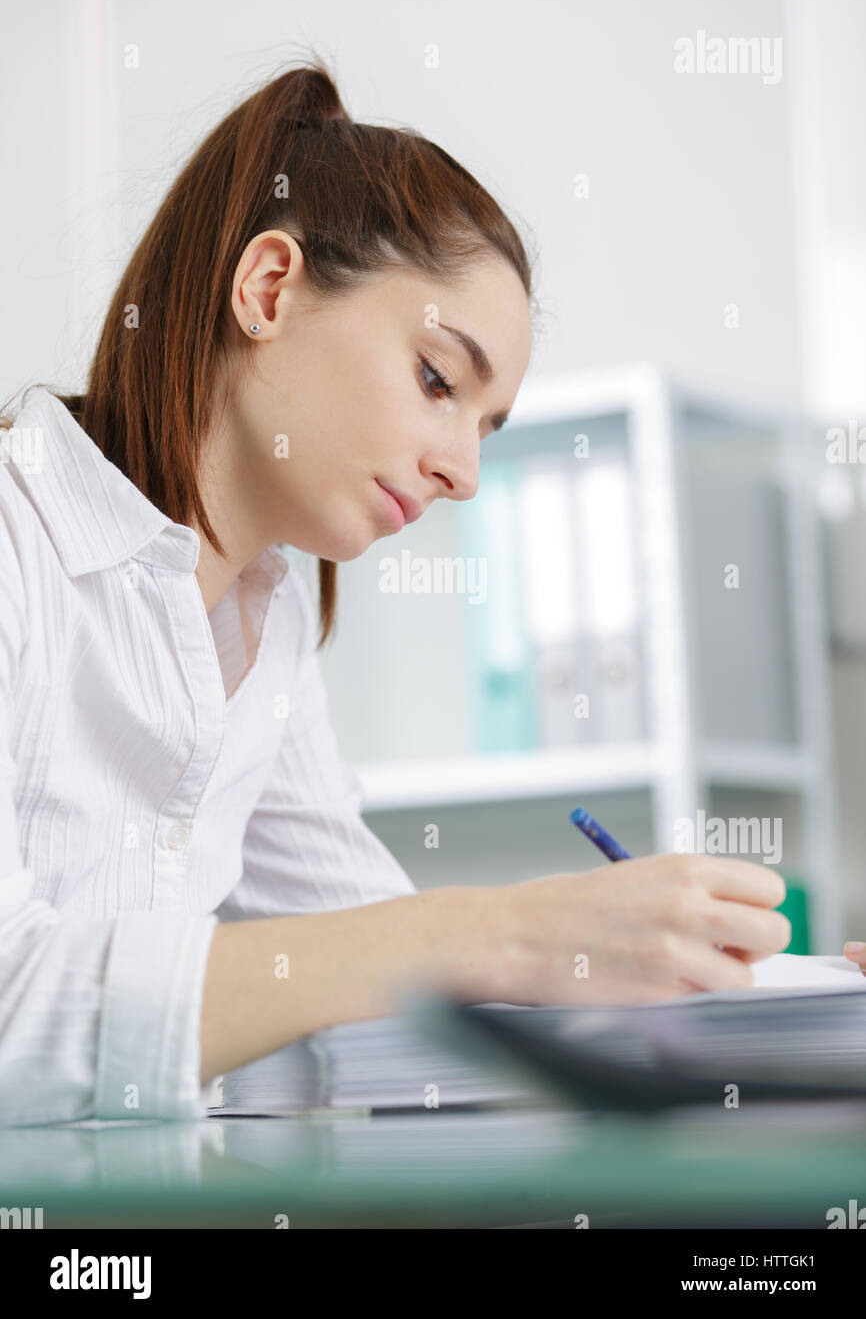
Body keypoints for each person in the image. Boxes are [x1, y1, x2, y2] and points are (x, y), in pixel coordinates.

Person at [0, 56, 791, 1127]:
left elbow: (380, 978)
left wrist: (744, 993)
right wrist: (502, 929)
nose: (461, 472)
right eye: (435, 380)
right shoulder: (19, 543)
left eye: (482, 426)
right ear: (267, 289)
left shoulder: (264, 618)